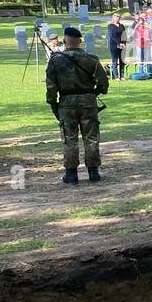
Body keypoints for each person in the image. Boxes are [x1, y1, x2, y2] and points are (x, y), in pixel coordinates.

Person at [46, 26, 110, 183]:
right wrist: (92, 94)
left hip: (66, 103)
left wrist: (53, 102)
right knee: (91, 138)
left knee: (69, 139)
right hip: (88, 102)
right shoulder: (91, 59)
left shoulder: (55, 60)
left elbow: (51, 86)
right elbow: (103, 84)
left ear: (64, 40)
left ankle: (71, 173)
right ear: (80, 41)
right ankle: (93, 172)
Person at [107, 14, 126, 80]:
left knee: (122, 61)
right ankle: (116, 76)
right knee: (115, 61)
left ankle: (122, 76)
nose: (118, 18)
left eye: (119, 17)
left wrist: (124, 43)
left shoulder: (122, 26)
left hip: (122, 45)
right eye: (116, 17)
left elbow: (124, 34)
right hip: (114, 45)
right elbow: (112, 36)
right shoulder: (110, 26)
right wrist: (118, 44)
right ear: (113, 18)